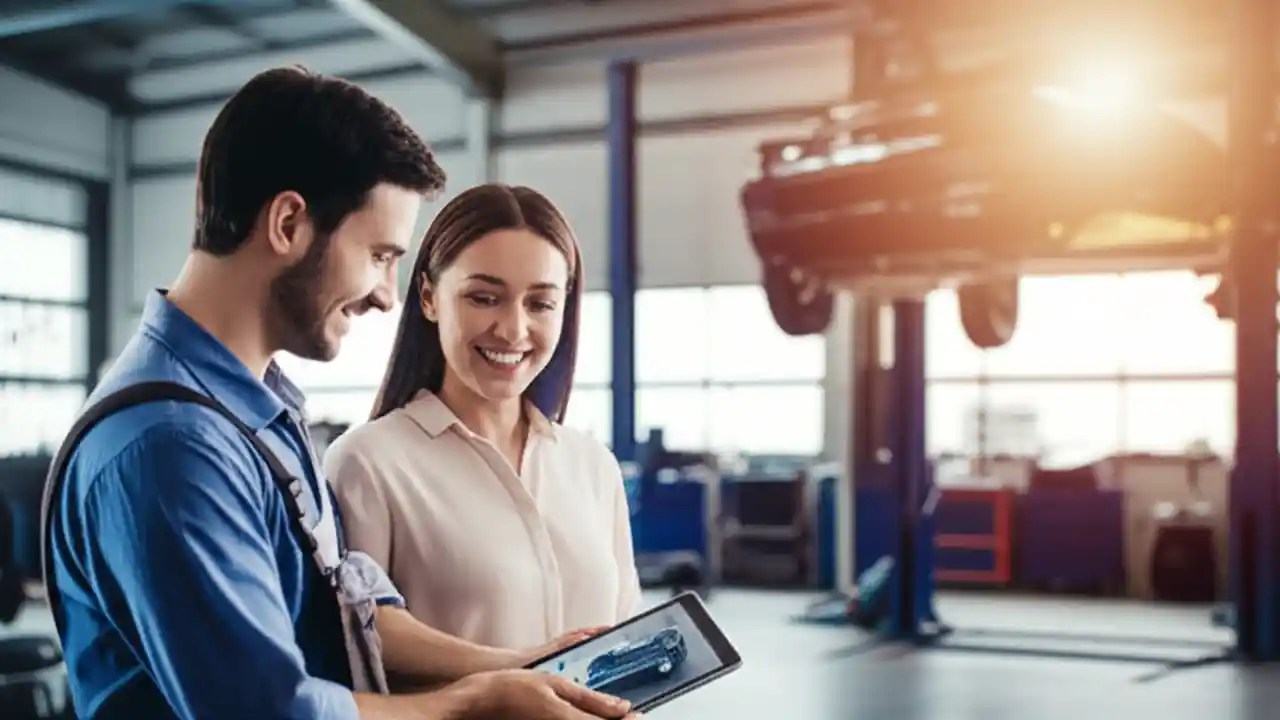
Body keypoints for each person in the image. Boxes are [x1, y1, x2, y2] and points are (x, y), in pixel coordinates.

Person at [45, 66, 637, 720]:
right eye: (381, 254)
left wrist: (515, 664)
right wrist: (473, 703)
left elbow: (344, 603)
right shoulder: (172, 446)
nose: (388, 295)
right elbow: (269, 712)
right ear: (289, 223)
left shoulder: (257, 414)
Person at [323, 184, 642, 652]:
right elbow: (361, 641)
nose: (513, 329)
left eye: (540, 303)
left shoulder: (593, 466)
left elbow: (627, 636)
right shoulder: (367, 463)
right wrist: (516, 672)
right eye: (483, 298)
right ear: (429, 298)